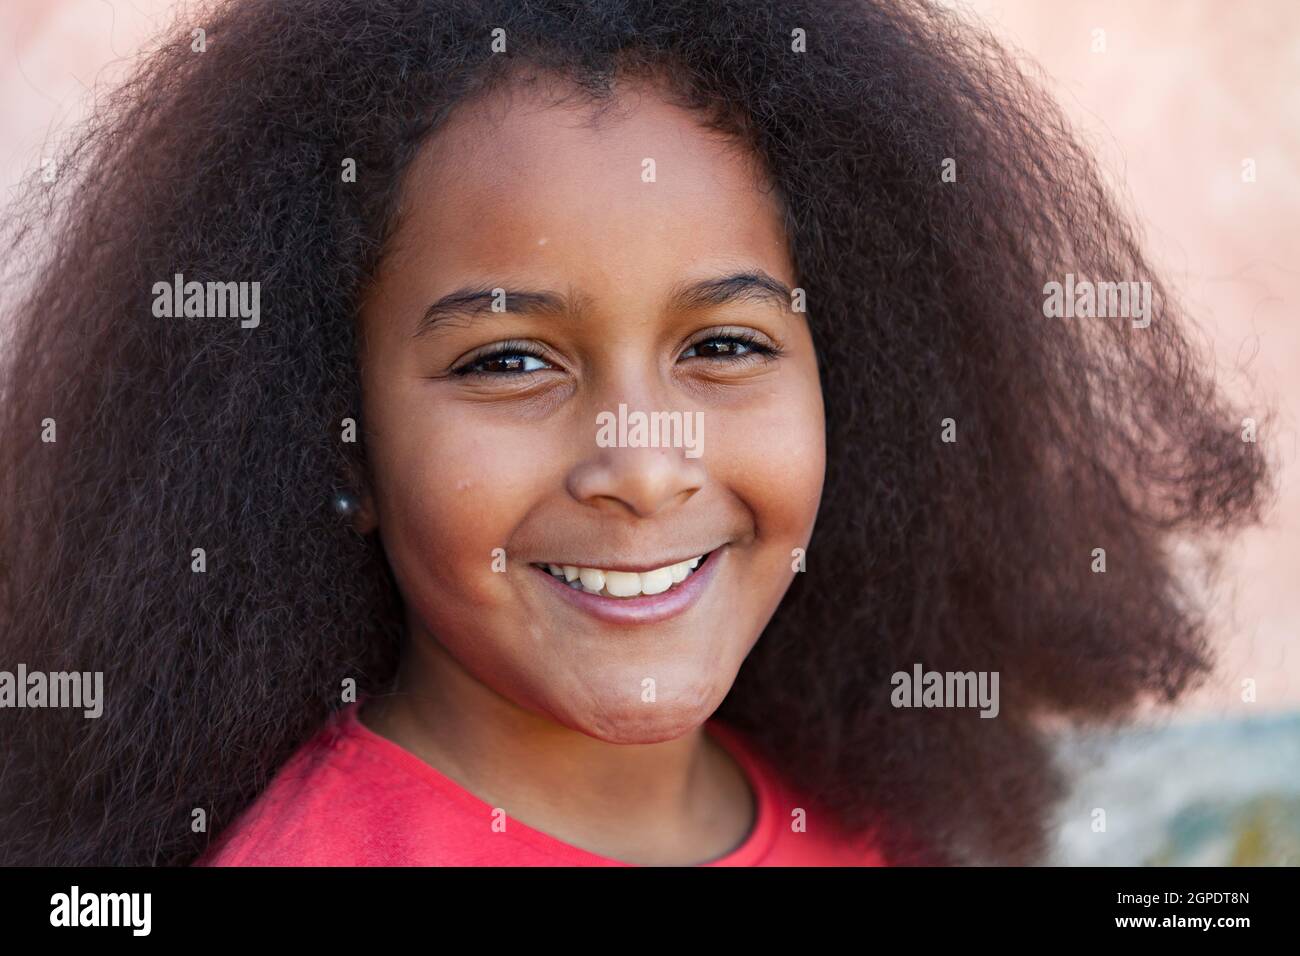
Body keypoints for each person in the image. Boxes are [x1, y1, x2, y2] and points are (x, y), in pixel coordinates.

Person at [0, 0, 1272, 866]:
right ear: (337, 441)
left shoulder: (869, 829)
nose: (646, 461)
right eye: (508, 359)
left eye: (724, 345)